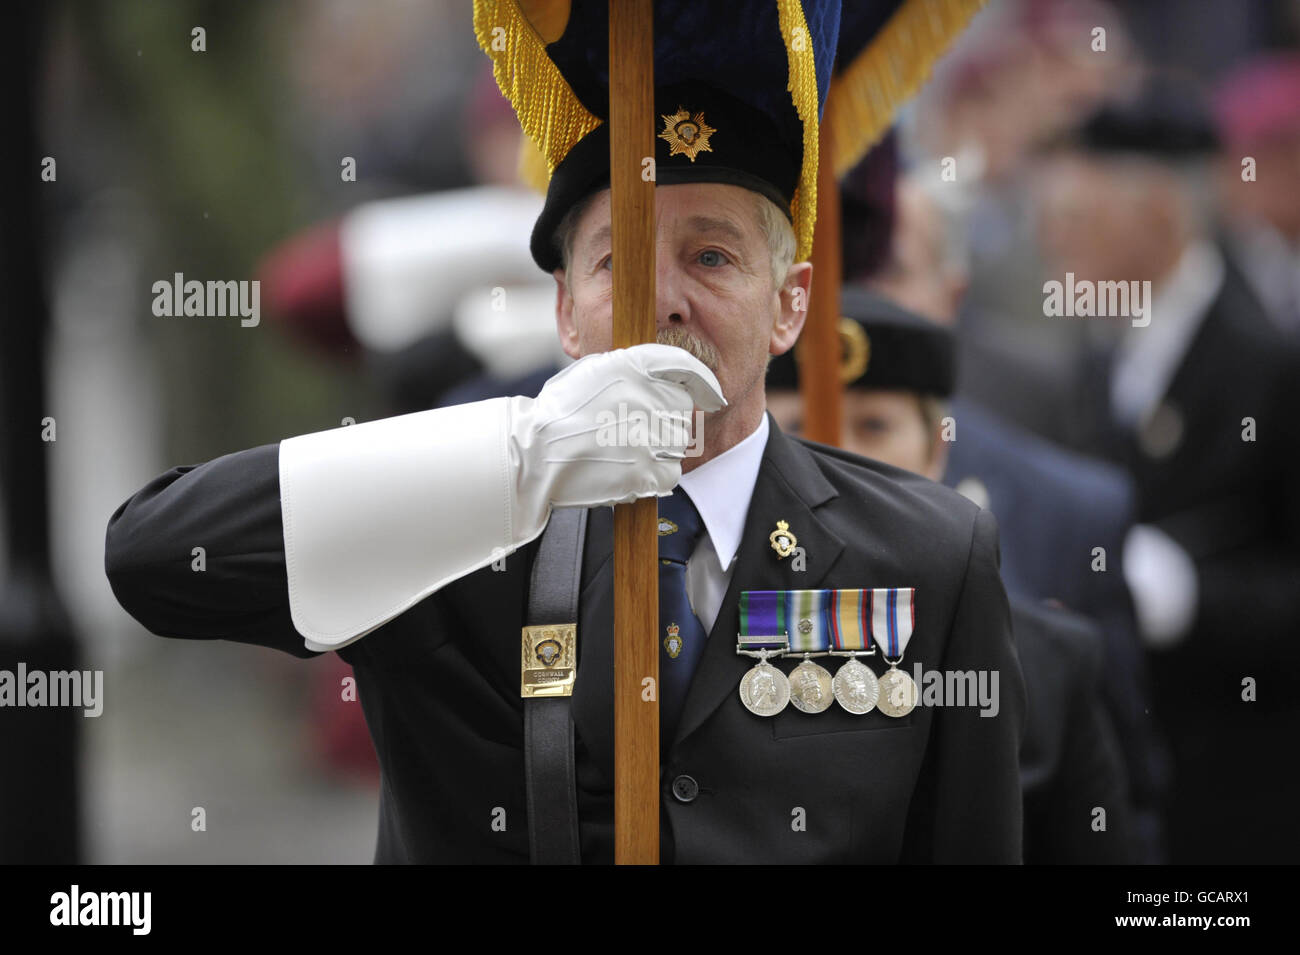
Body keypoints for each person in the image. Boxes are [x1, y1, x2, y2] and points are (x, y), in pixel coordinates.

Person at [105, 0, 1022, 863]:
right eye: (618, 258)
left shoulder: (929, 554)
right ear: (566, 311)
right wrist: (524, 459)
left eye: (712, 256)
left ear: (790, 307)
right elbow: (154, 555)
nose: (663, 298)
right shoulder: (459, 529)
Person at [767, 290, 1136, 863]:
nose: (840, 457)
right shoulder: (719, 637)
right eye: (803, 426)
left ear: (938, 450)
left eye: (874, 425)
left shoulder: (1046, 660)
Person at [1037, 73, 1300, 863]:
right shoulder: (1098, 358)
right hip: (1126, 771)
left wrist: (1190, 596)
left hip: (1241, 786)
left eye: (1077, 218)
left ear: (1157, 214)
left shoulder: (1269, 366)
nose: (1055, 241)